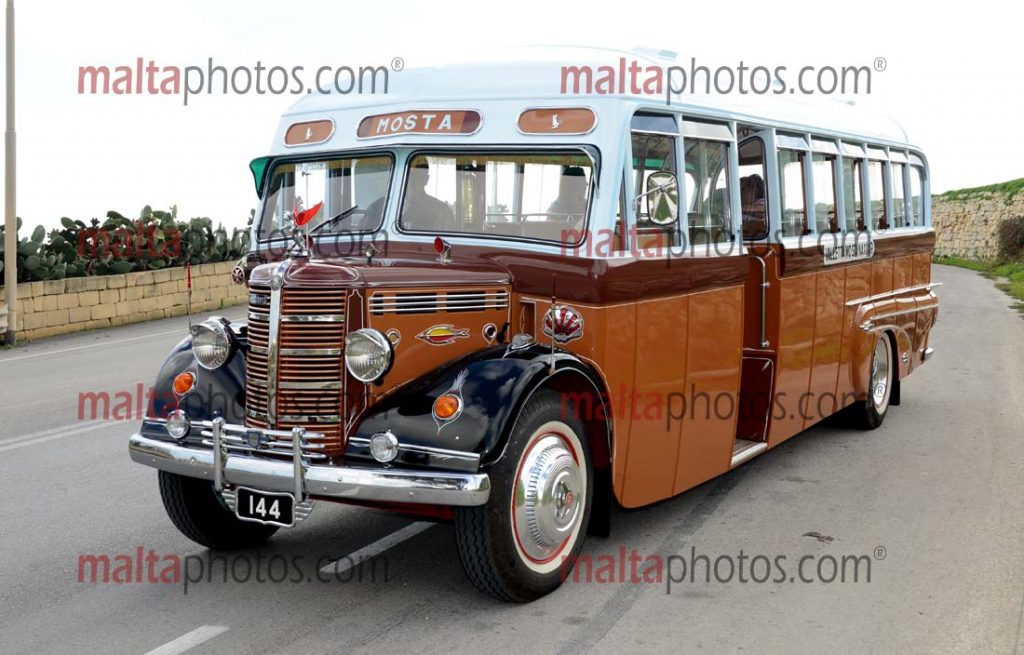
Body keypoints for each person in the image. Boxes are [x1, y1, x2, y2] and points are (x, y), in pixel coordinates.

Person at [402, 160, 455, 231]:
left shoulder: (441, 210)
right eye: (407, 176)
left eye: (416, 176)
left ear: (426, 179)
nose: (411, 181)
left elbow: (444, 240)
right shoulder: (383, 205)